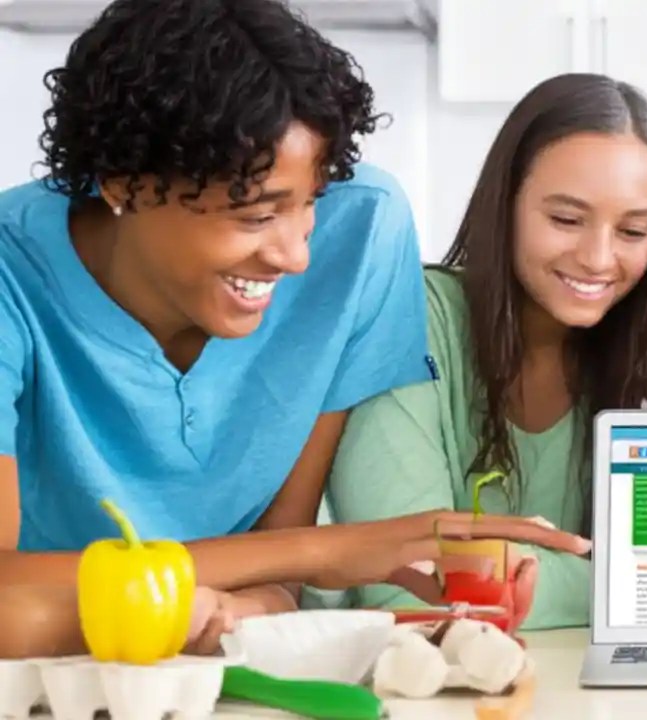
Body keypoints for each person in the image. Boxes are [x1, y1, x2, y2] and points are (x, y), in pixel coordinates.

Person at [0, 0, 587, 658]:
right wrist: (323, 552)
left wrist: (252, 606)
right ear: (124, 186)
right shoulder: (9, 271)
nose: (296, 256)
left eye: (307, 203)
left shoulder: (360, 230)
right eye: (255, 216)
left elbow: (277, 574)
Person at [326, 72, 647, 631]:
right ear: (507, 202)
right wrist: (626, 582)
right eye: (566, 219)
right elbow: (409, 582)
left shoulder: (645, 360)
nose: (598, 258)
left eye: (633, 231)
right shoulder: (413, 315)